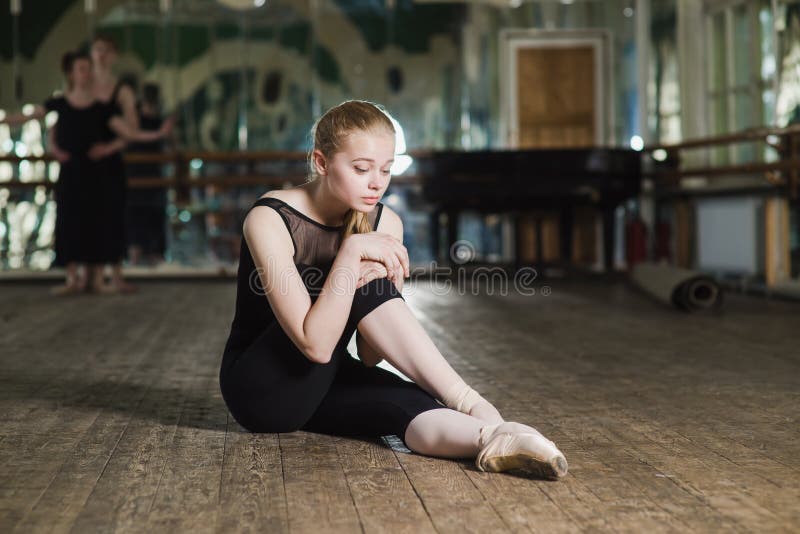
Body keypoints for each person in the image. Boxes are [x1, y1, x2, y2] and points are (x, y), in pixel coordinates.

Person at [219, 100, 568, 479]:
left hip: (325, 380)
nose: (376, 183)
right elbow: (315, 345)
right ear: (321, 162)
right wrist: (351, 255)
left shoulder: (385, 221)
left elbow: (369, 356)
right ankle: (473, 403)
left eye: (386, 169)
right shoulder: (269, 217)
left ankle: (492, 436)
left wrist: (388, 287)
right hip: (260, 389)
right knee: (359, 283)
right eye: (361, 169)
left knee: (406, 403)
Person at [5, 51, 173, 294]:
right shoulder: (60, 103)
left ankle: (96, 279)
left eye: (88, 69)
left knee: (96, 223)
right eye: (82, 69)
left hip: (98, 176)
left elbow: (128, 132)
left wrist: (156, 134)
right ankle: (73, 278)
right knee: (69, 221)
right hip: (72, 174)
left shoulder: (101, 108)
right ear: (71, 74)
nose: (86, 74)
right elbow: (26, 117)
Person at [125, 82, 168, 266]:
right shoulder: (135, 122)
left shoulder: (158, 121)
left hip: (153, 175)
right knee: (136, 215)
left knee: (154, 215)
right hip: (136, 175)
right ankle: (136, 254)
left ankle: (154, 254)